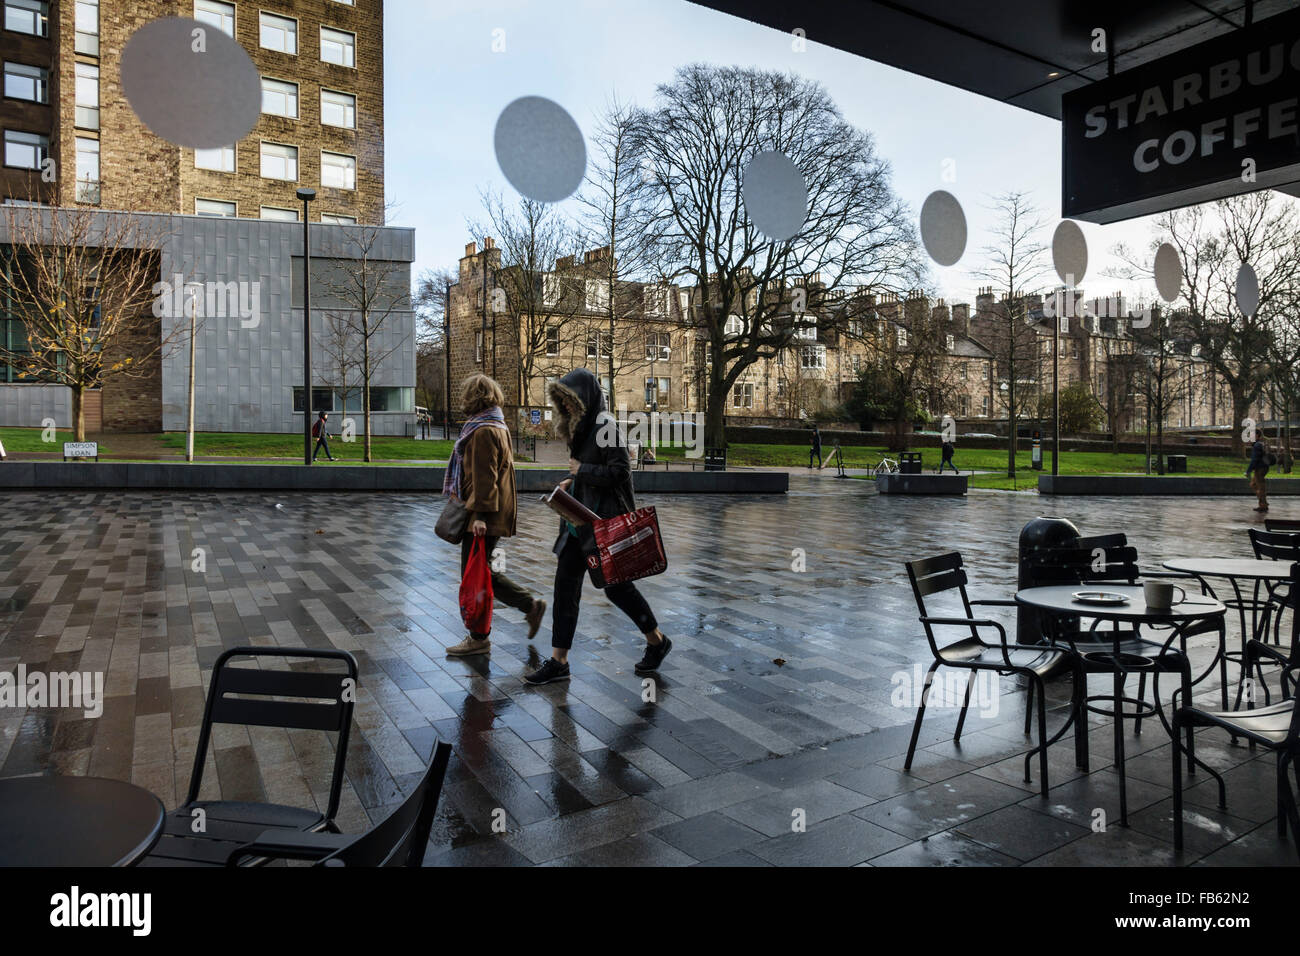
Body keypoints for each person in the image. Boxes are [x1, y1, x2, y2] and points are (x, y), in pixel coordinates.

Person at [524, 368, 670, 685]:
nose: (564, 408)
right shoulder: (582, 428)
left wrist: (581, 469)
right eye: (560, 402)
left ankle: (657, 640)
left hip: (602, 525)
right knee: (565, 588)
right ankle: (559, 661)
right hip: (578, 525)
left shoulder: (605, 426)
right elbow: (586, 473)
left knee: (616, 588)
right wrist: (571, 480)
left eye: (569, 401)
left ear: (584, 399)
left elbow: (620, 472)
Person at [444, 374, 546, 657]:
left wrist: (479, 516)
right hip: (492, 511)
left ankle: (482, 636)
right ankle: (522, 609)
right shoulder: (495, 425)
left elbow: (485, 477)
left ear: (473, 396)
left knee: (476, 573)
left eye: (465, 393)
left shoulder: (484, 430)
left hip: (484, 514)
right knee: (481, 571)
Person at [1246, 436, 1271, 513]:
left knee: (1260, 487)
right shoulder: (1260, 444)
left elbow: (1255, 459)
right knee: (1253, 484)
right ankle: (1264, 502)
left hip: (1260, 468)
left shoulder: (1257, 445)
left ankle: (1263, 505)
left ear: (1257, 436)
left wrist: (1248, 470)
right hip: (1262, 467)